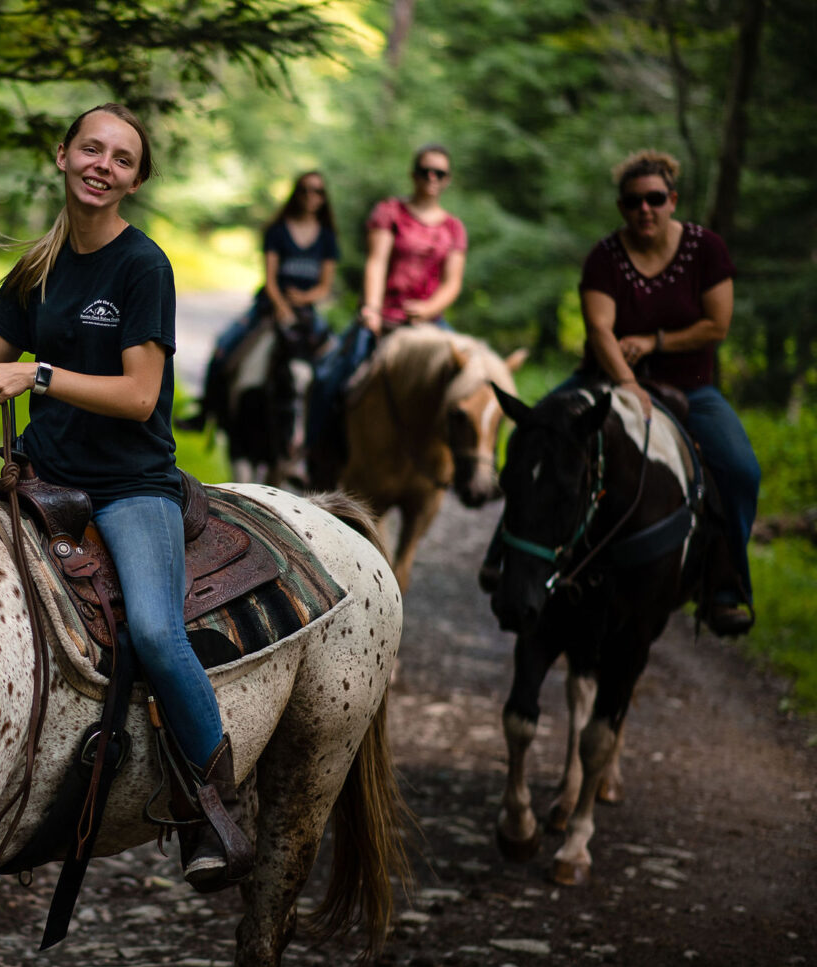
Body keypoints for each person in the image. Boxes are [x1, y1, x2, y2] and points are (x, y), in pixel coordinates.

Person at [0, 103, 252, 890]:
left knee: (156, 632)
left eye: (122, 159)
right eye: (92, 148)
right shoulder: (38, 267)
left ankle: (214, 805)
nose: (103, 165)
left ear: (134, 180)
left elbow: (138, 394)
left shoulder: (142, 265)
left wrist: (42, 374)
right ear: (61, 156)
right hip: (42, 482)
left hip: (129, 486)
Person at [480, 150, 758, 636]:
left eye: (654, 199)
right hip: (605, 379)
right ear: (621, 207)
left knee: (738, 469)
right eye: (633, 202)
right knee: (537, 433)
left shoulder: (706, 249)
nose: (644, 209)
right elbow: (600, 328)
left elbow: (717, 324)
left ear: (672, 200)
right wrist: (627, 384)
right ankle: (504, 554)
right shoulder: (606, 257)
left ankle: (725, 584)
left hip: (691, 388)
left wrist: (656, 342)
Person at [304, 143, 467, 483]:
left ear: (447, 179)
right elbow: (377, 262)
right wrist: (372, 310)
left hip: (429, 323)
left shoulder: (453, 228)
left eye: (439, 173)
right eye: (425, 170)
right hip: (383, 315)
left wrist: (427, 308)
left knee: (465, 385)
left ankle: (457, 468)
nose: (431, 178)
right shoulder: (390, 212)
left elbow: (452, 284)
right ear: (413, 174)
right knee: (329, 378)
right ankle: (319, 460)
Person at [180, 171, 340, 430]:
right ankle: (205, 413)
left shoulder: (327, 237)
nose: (312, 196)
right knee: (225, 345)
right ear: (296, 194)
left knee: (336, 357)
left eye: (318, 191)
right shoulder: (277, 231)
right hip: (269, 307)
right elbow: (271, 278)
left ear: (324, 198)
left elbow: (324, 285)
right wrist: (282, 307)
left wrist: (304, 298)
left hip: (307, 313)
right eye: (306, 190)